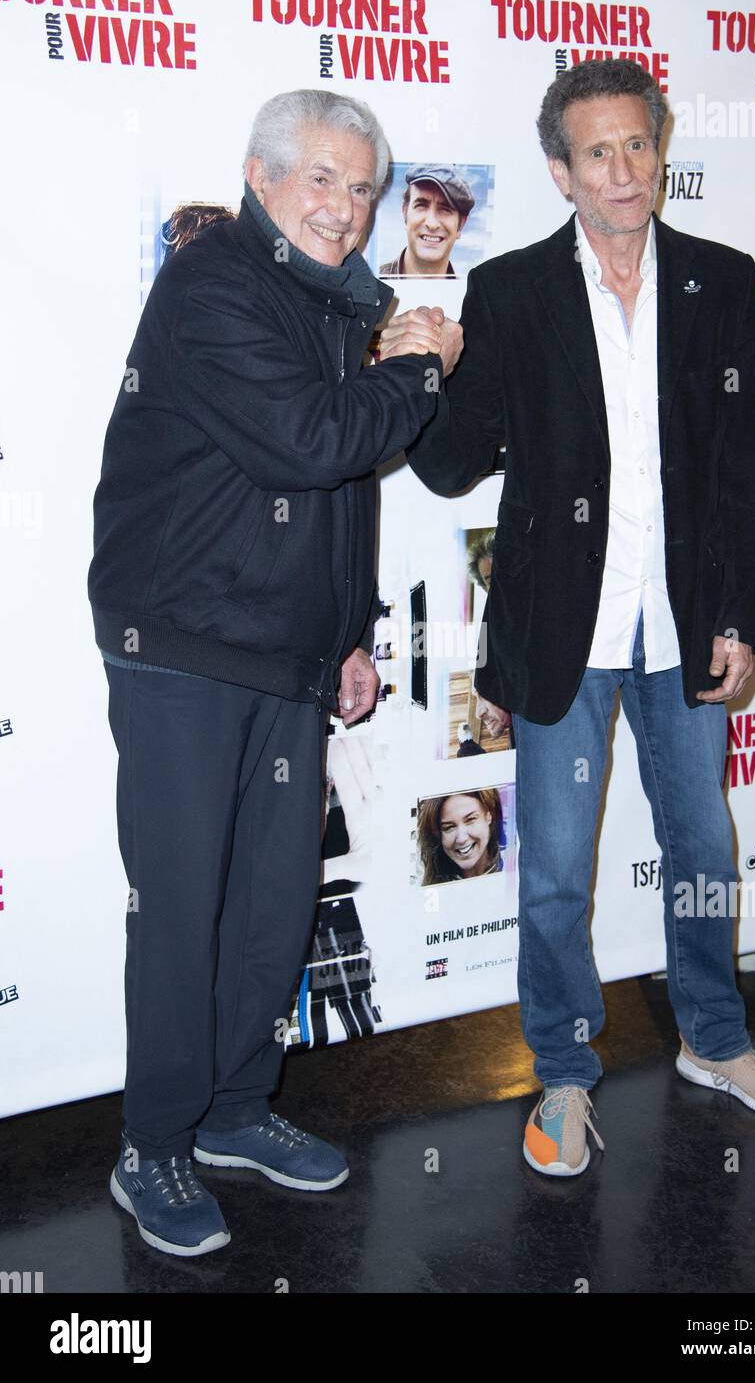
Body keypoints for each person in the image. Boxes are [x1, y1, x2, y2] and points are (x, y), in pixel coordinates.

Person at [403, 60, 755, 1178]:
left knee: (700, 846)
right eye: (597, 152)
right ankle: (563, 1071)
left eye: (637, 144)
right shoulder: (511, 294)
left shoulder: (720, 282)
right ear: (559, 171)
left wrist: (740, 614)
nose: (623, 170)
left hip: (682, 625)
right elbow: (449, 471)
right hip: (559, 637)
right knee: (550, 871)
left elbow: (745, 469)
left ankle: (713, 1042)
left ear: (659, 145)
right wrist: (424, 374)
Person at [88, 87, 462, 1255]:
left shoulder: (340, 300)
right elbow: (315, 438)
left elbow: (339, 492)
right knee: (183, 905)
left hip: (287, 651)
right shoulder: (212, 285)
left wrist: (348, 630)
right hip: (185, 646)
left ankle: (238, 1110)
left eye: (362, 188)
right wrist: (419, 370)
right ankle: (152, 1143)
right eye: (321, 180)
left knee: (269, 907)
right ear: (260, 180)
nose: (345, 208)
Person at [379, 164, 475, 277]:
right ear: (405, 213)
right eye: (421, 206)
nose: (431, 224)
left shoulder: (473, 291)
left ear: (461, 225)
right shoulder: (372, 281)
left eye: (445, 209)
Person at [417, 790, 504, 884]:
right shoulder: (427, 887)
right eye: (449, 827)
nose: (461, 839)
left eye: (470, 819)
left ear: (489, 815)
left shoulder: (513, 867)